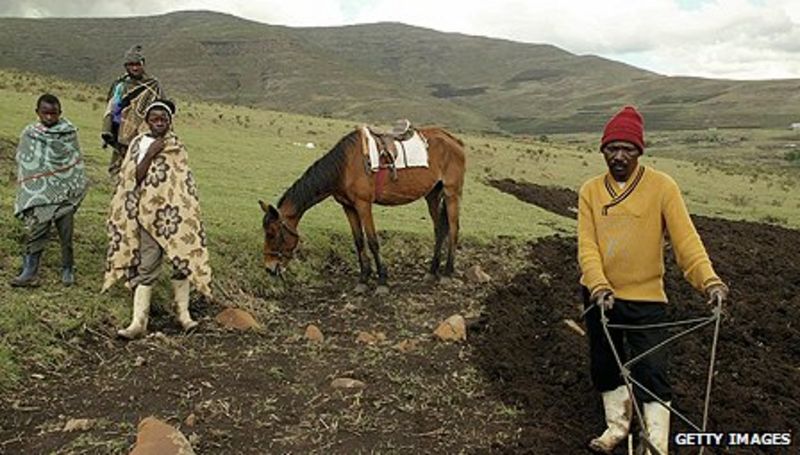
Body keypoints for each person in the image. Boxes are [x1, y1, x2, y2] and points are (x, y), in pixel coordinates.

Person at [577, 106, 729, 455]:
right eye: (610, 148)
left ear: (639, 152)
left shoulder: (662, 187)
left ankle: (655, 443)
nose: (618, 156)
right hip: (602, 297)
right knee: (604, 365)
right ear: (602, 151)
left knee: (653, 370)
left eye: (626, 149)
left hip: (647, 298)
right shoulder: (590, 191)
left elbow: (686, 241)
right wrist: (598, 285)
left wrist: (710, 281)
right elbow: (587, 246)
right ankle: (616, 426)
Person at [102, 99, 211, 339]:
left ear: (170, 122)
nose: (159, 123)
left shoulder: (176, 146)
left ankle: (183, 315)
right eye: (154, 119)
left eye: (163, 119)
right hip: (147, 213)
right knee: (148, 263)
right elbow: (134, 177)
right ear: (147, 121)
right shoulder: (140, 144)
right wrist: (150, 154)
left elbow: (182, 182)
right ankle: (138, 322)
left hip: (175, 215)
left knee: (182, 260)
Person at [12, 94, 88, 287]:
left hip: (64, 193)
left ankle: (67, 267)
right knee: (38, 229)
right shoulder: (29, 133)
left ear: (59, 113)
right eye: (45, 113)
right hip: (40, 194)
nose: (49, 117)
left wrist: (70, 186)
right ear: (37, 112)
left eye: (53, 113)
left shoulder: (69, 133)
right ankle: (30, 270)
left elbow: (74, 162)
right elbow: (24, 160)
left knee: (66, 233)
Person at [101, 44, 164, 179]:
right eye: (130, 64)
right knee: (121, 174)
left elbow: (162, 110)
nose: (135, 68)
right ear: (126, 67)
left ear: (143, 64)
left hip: (145, 135)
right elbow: (111, 110)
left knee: (145, 172)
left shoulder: (154, 85)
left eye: (137, 64)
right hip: (122, 136)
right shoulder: (120, 85)